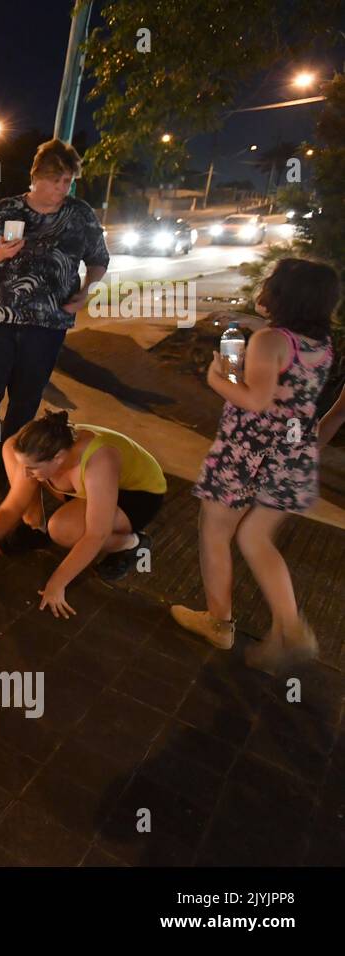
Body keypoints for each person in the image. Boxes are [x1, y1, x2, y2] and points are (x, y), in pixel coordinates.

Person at [170, 258, 339, 672]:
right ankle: (290, 625)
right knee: (256, 539)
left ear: (285, 294)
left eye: (271, 281)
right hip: (292, 452)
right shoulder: (320, 345)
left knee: (215, 531)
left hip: (246, 450)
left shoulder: (270, 339)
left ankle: (219, 623)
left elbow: (254, 400)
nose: (264, 285)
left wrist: (216, 376)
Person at [0, 139, 110, 491]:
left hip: (48, 326)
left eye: (69, 181)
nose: (63, 188)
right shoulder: (6, 210)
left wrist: (86, 289)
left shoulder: (80, 215)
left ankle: (11, 476)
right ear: (36, 176)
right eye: (57, 180)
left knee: (24, 406)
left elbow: (99, 259)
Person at [0, 410, 166, 619]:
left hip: (137, 495)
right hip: (88, 485)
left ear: (58, 457)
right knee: (9, 450)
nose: (26, 473)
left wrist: (57, 584)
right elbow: (12, 505)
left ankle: (133, 544)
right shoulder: (38, 443)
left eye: (32, 468)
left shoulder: (99, 460)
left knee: (63, 530)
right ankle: (35, 528)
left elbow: (96, 534)